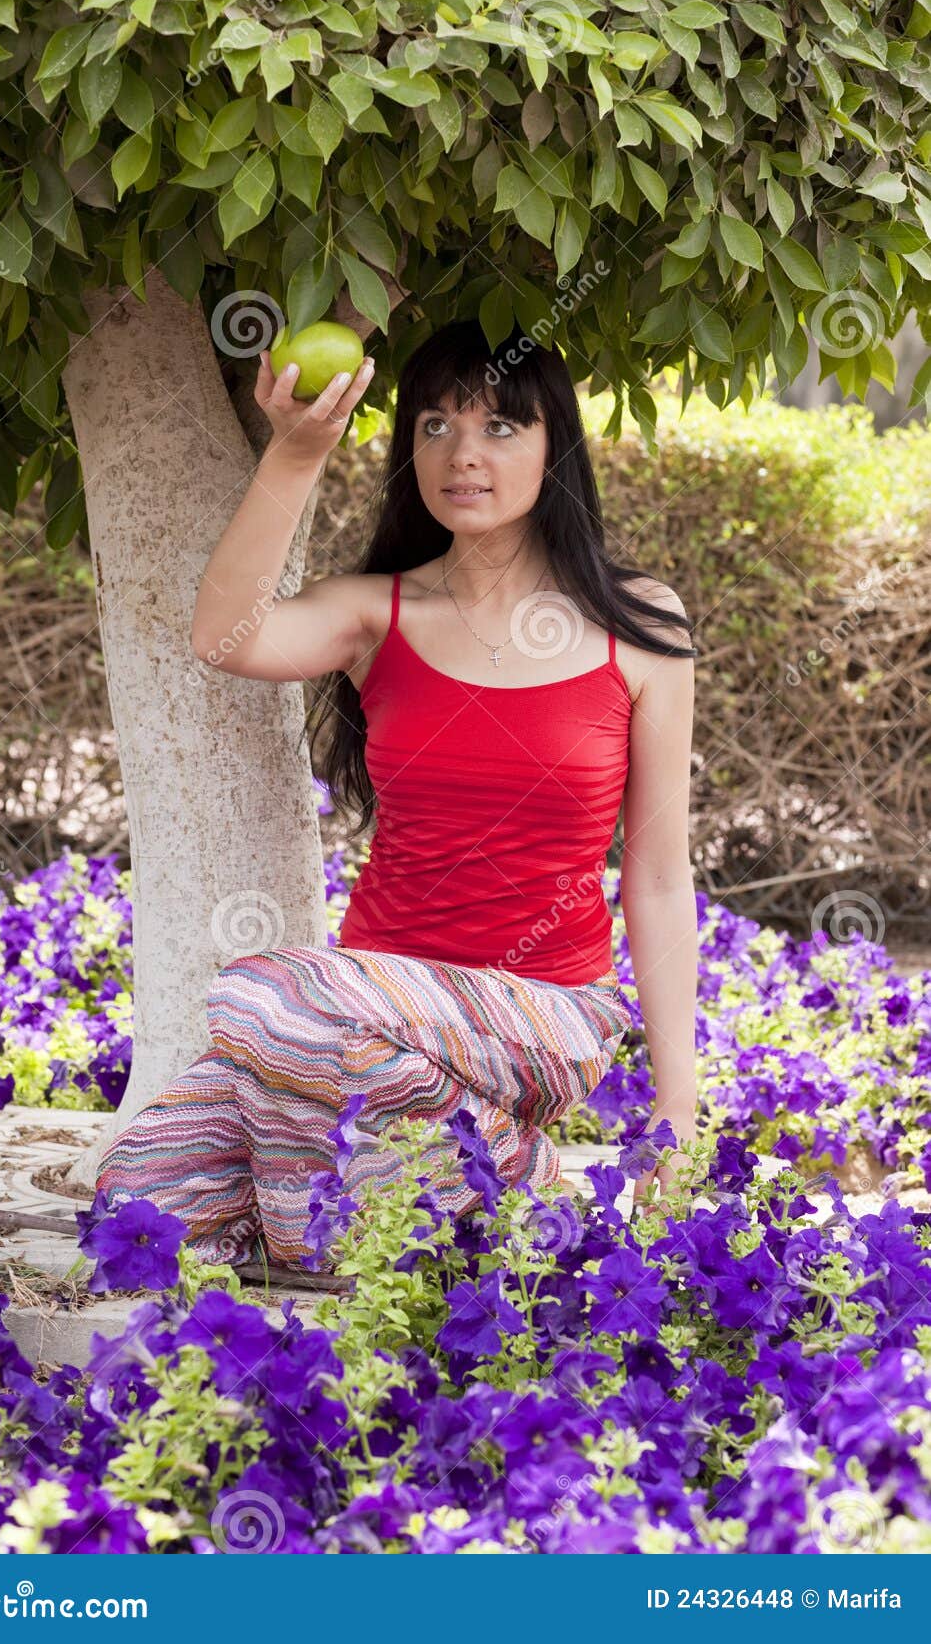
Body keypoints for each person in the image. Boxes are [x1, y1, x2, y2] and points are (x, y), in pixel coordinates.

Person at [95, 319, 699, 1267]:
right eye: (434, 426)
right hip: (361, 1020)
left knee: (262, 1000)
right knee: (138, 1192)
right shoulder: (376, 611)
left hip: (543, 1012)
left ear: (556, 447)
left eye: (500, 426)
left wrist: (676, 1108)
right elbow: (223, 636)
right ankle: (478, 1174)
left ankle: (379, 1203)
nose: (463, 454)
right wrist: (297, 453)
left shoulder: (638, 623)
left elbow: (658, 878)